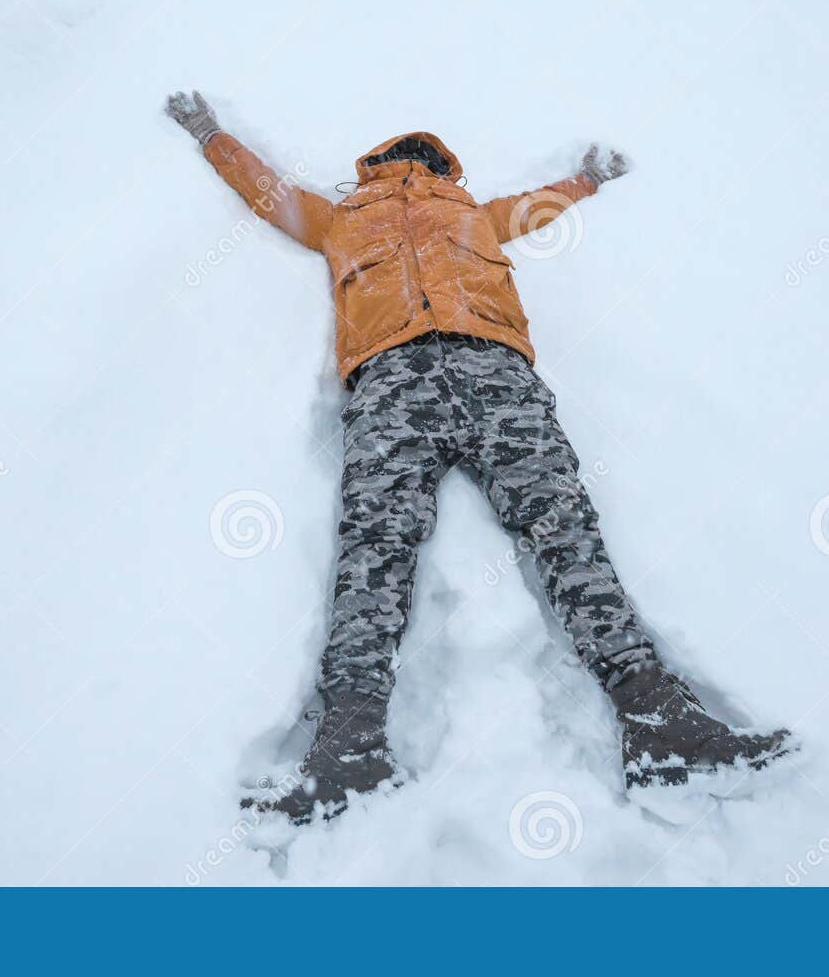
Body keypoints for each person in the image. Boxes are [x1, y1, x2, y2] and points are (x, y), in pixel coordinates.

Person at [166, 91, 791, 823]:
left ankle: (662, 723)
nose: (413, 165)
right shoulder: (342, 218)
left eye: (422, 158)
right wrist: (211, 135)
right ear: (375, 169)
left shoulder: (471, 214)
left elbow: (535, 208)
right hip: (393, 378)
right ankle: (348, 748)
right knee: (376, 547)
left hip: (496, 373)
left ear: (441, 169)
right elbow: (270, 194)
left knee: (563, 527)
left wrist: (587, 179)